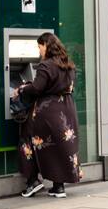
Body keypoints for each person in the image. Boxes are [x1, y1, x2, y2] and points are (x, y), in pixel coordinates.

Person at [14, 32, 83, 198]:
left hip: (47, 111)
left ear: (46, 45)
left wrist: (22, 88)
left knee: (28, 140)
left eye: (40, 47)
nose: (39, 51)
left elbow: (37, 88)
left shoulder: (46, 66)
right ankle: (58, 187)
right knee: (58, 146)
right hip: (66, 110)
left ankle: (32, 182)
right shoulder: (68, 64)